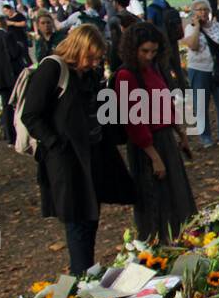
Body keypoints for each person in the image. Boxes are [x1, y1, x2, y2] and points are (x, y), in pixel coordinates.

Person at [20, 25, 134, 275]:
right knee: (77, 219)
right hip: (66, 160)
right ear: (77, 49)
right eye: (90, 57)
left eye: (96, 58)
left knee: (90, 217)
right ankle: (81, 275)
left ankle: (86, 271)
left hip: (91, 155)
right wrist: (56, 143)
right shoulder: (53, 69)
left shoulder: (88, 73)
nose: (93, 63)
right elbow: (32, 115)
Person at [114, 22, 196, 244]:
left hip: (165, 138)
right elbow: (134, 122)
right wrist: (155, 157)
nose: (149, 56)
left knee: (177, 198)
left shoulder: (153, 68)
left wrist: (181, 134)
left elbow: (166, 103)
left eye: (154, 51)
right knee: (157, 202)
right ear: (133, 49)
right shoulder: (126, 75)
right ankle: (160, 247)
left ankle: (182, 241)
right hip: (148, 147)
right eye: (144, 51)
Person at [181, 0, 219, 146]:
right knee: (200, 104)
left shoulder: (216, 26)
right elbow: (193, 46)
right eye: (200, 10)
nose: (203, 12)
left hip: (217, 69)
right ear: (194, 12)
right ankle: (205, 137)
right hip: (199, 69)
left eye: (205, 9)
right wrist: (197, 27)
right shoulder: (190, 27)